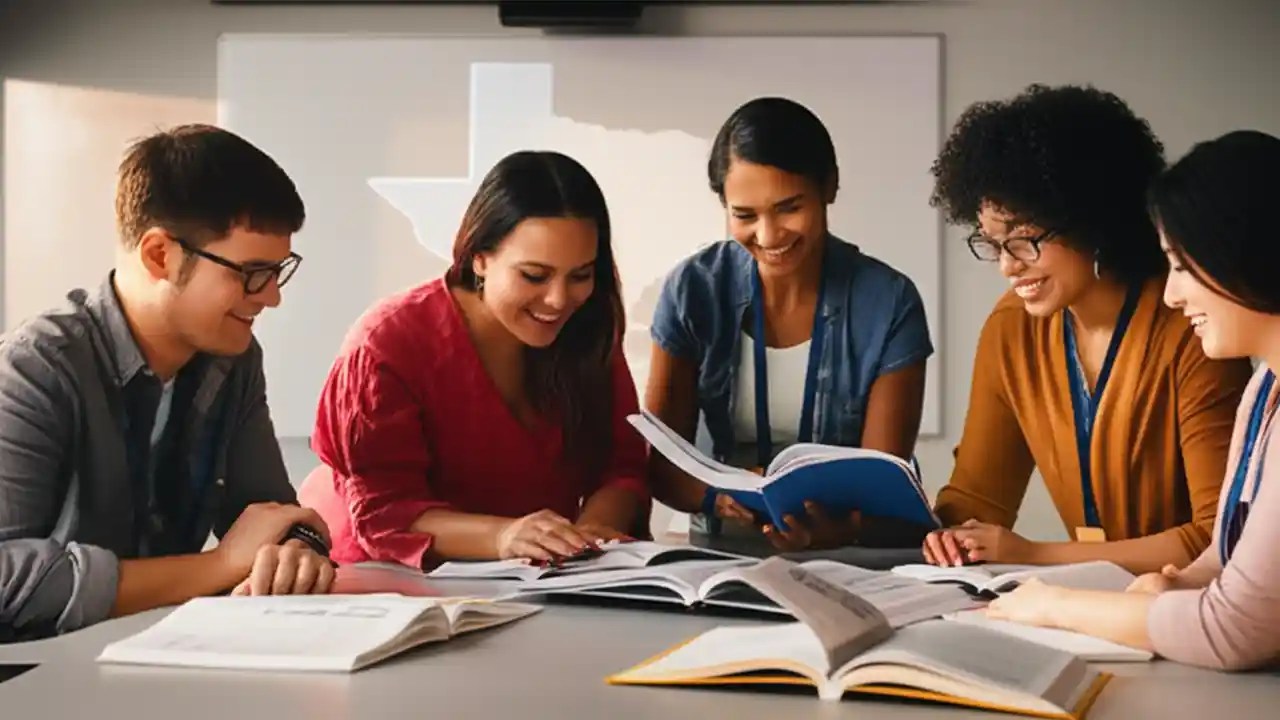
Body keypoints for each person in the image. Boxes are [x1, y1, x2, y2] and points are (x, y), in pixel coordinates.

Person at [0, 124, 334, 642]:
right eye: (252, 272)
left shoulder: (234, 361)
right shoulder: (36, 367)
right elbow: (4, 578)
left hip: (164, 654)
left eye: (278, 271)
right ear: (160, 255)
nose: (271, 297)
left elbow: (271, 515)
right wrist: (219, 566)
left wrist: (296, 551)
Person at [922, 85, 1253, 574]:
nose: (1007, 268)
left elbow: (1216, 534)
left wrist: (1034, 556)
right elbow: (976, 500)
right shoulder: (1011, 329)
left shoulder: (1194, 327)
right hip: (1091, 603)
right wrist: (944, 540)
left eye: (1025, 240)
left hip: (1191, 601)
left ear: (1092, 221)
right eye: (993, 244)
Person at [985, 130, 1280, 671]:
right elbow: (1225, 554)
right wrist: (1173, 582)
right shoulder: (1265, 391)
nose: (1171, 293)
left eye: (1182, 265)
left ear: (1245, 252)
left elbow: (1234, 630)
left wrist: (1054, 604)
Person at [301, 150, 649, 569]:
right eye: (534, 276)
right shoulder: (387, 343)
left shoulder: (586, 329)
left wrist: (590, 537)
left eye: (581, 275)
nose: (559, 300)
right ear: (480, 258)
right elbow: (385, 512)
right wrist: (504, 535)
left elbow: (621, 466)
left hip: (530, 581)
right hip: (380, 582)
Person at [644, 97, 935, 555]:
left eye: (789, 207)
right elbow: (661, 465)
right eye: (744, 215)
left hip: (852, 556)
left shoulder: (889, 301)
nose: (769, 235)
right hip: (718, 555)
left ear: (829, 187)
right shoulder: (693, 289)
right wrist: (715, 495)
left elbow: (885, 485)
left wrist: (833, 529)